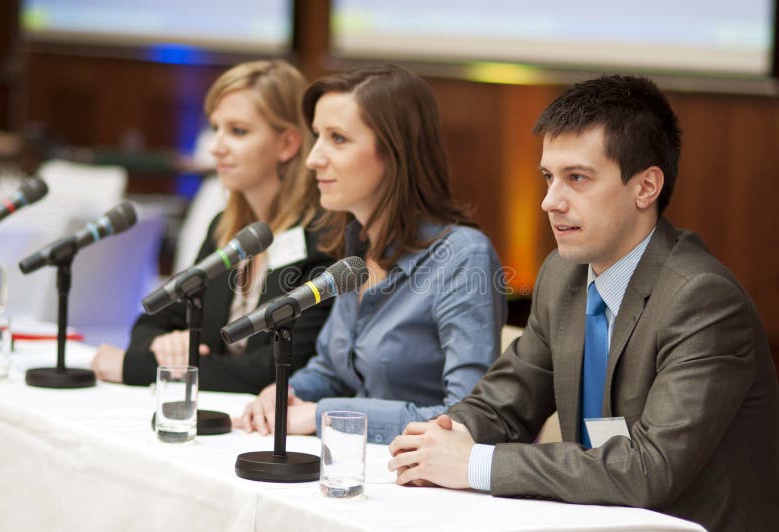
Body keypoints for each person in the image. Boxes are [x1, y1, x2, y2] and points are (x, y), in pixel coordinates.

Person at [388, 75, 779, 531]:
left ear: (646, 187)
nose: (550, 201)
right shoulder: (563, 275)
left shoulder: (703, 300)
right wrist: (443, 440)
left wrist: (476, 465)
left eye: (577, 178)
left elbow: (648, 470)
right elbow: (503, 403)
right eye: (549, 178)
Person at [233, 65, 508, 444]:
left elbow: (466, 417)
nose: (313, 158)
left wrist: (324, 415)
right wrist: (285, 393)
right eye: (317, 137)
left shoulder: (462, 256)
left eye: (338, 139)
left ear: (395, 151)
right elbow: (330, 369)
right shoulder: (355, 249)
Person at [90, 60, 334, 392]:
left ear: (287, 144)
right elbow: (152, 321)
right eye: (216, 128)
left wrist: (137, 367)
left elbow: (270, 369)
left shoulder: (323, 239)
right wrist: (167, 345)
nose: (216, 147)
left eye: (238, 131)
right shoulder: (226, 228)